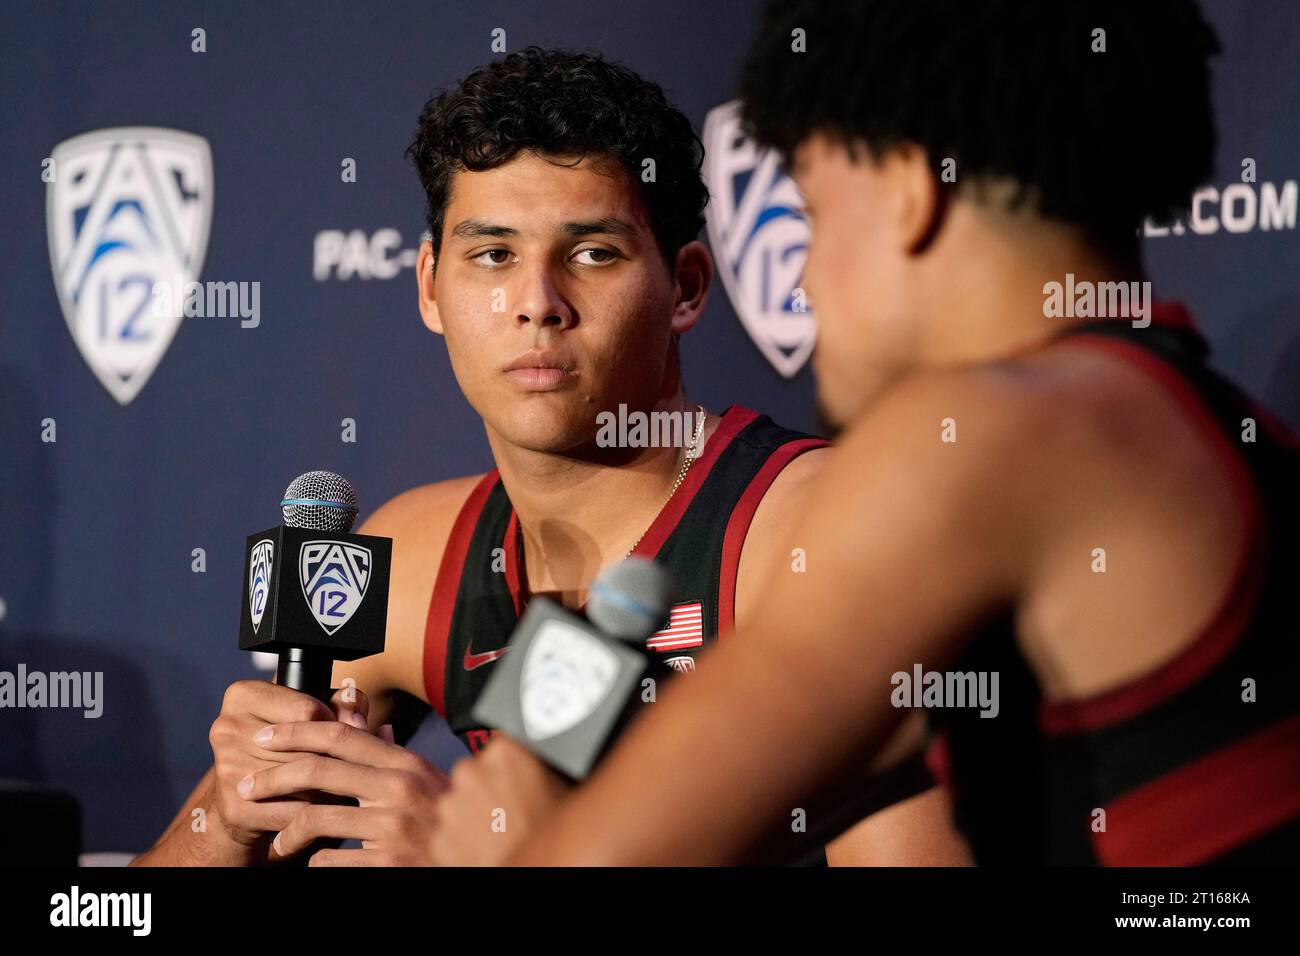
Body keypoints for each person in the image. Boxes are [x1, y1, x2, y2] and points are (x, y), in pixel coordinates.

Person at [417, 0, 1300, 866]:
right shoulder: (1215, 425)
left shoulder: (982, 438)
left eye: (811, 208)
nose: (802, 272)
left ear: (908, 190)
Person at [132, 47, 968, 867]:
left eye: (593, 253)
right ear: (430, 286)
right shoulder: (422, 555)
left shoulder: (821, 535)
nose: (537, 303)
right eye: (492, 255)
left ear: (685, 288)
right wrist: (231, 815)